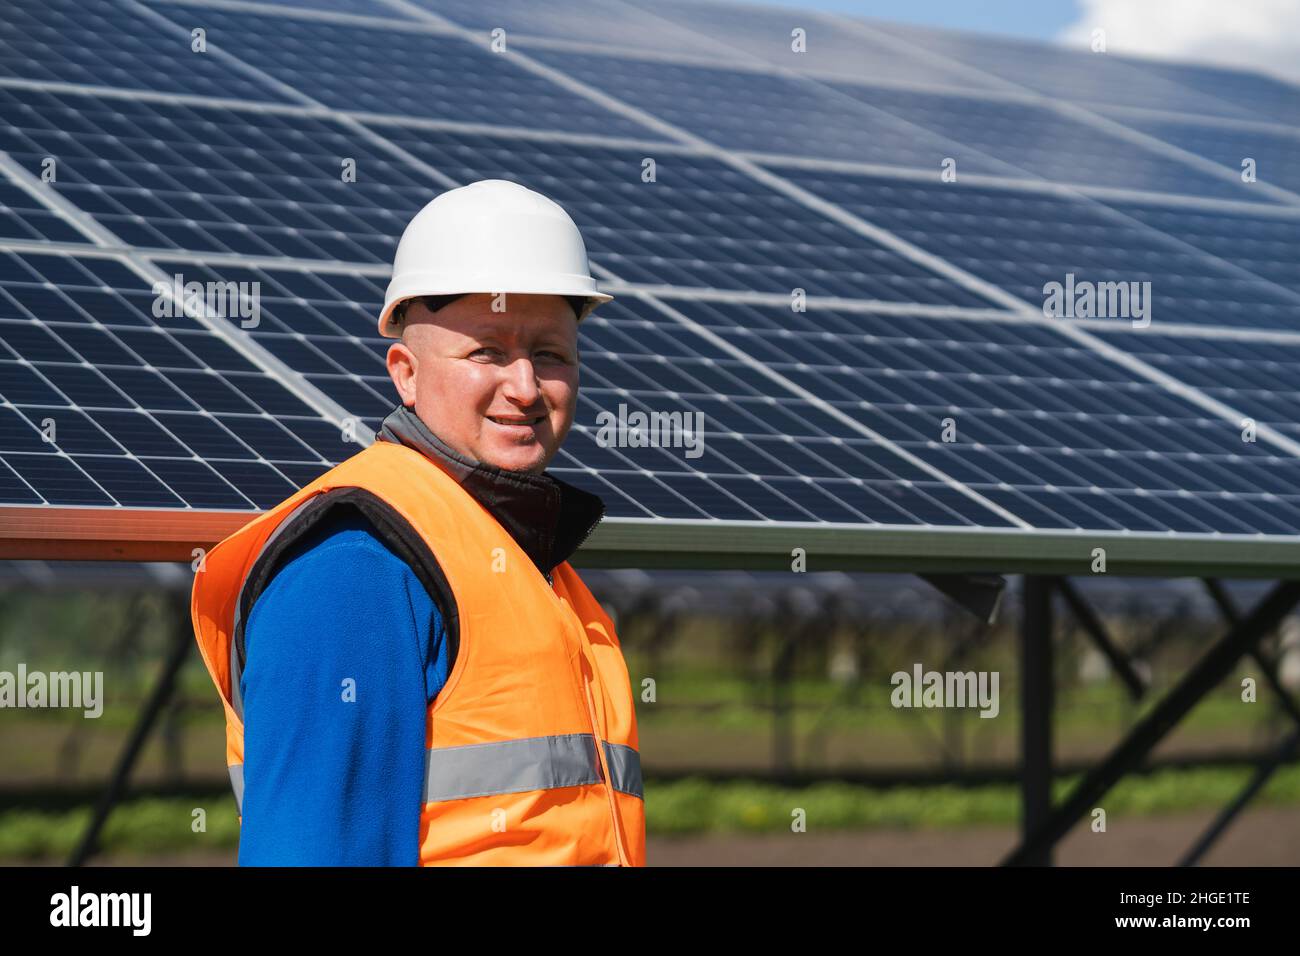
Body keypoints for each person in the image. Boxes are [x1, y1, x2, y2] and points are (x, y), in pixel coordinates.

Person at [191, 180, 645, 866]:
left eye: (550, 353)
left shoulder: (522, 554)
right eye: (487, 352)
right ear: (404, 373)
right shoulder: (353, 566)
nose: (525, 387)